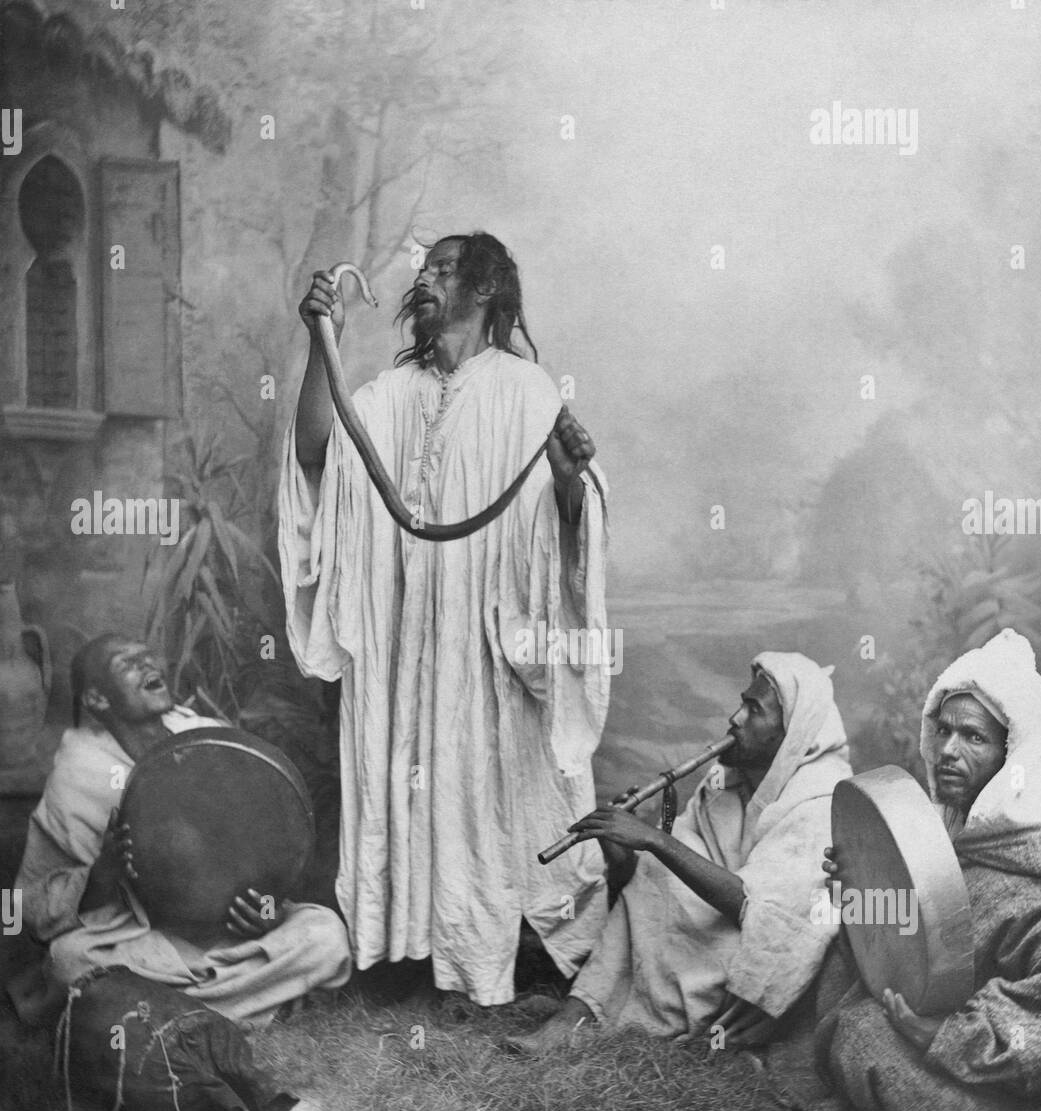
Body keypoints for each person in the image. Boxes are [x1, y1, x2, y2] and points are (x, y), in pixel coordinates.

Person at [280, 231, 610, 1006]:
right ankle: (406, 953)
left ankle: (502, 960)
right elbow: (318, 451)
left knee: (493, 786)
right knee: (406, 773)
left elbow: (572, 520)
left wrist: (568, 484)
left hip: (489, 636)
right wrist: (317, 341)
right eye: (422, 270)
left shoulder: (526, 390)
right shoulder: (393, 396)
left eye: (444, 269)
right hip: (405, 637)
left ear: (488, 288)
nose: (424, 279)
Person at [801, 627, 1041, 1111]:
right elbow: (917, 942)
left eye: (975, 738)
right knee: (852, 1029)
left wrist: (940, 1035)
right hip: (953, 1034)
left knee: (866, 1046)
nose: (949, 752)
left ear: (1016, 757)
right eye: (943, 731)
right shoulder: (951, 837)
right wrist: (858, 892)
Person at [511, 652, 852, 1051]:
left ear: (791, 733)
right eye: (742, 702)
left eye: (753, 710)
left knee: (665, 859)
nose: (736, 718)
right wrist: (619, 847)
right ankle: (581, 1008)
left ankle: (610, 1013)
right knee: (658, 868)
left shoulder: (821, 800)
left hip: (765, 956)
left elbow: (756, 908)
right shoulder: (726, 782)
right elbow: (651, 883)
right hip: (714, 930)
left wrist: (655, 839)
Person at [6, 635, 351, 1028]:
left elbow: (269, 851)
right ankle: (252, 1002)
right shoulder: (78, 778)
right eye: (127, 663)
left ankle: (148, 1010)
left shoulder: (214, 739)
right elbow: (24, 907)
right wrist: (102, 874)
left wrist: (267, 911)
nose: (148, 664)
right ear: (98, 701)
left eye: (147, 656)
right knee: (70, 960)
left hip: (232, 936)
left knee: (326, 936)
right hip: (148, 941)